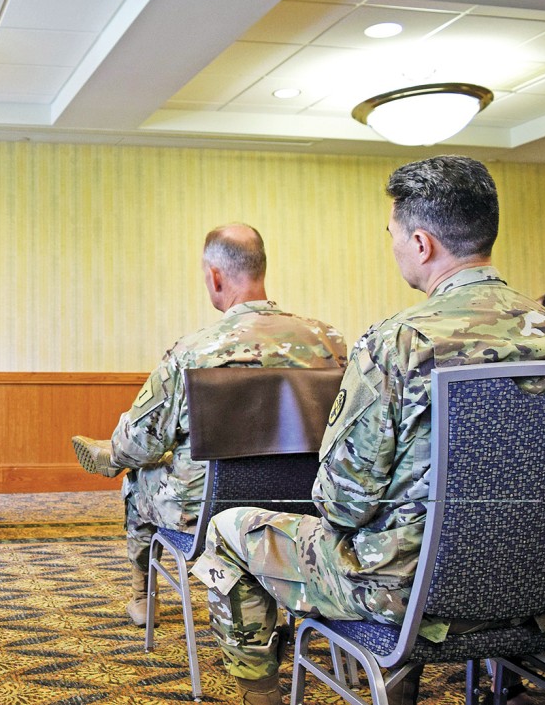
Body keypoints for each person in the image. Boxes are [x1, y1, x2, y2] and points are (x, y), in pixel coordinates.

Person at [191, 157, 545, 705]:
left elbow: (343, 503)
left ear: (421, 243)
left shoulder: (397, 343)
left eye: (391, 234)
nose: (391, 246)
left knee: (229, 530)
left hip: (407, 593)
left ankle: (262, 698)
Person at [71, 223, 347, 627]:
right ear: (261, 268)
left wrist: (125, 453)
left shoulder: (195, 350)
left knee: (135, 475)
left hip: (208, 511)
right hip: (305, 504)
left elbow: (146, 440)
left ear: (214, 276)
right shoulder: (330, 342)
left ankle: (142, 597)